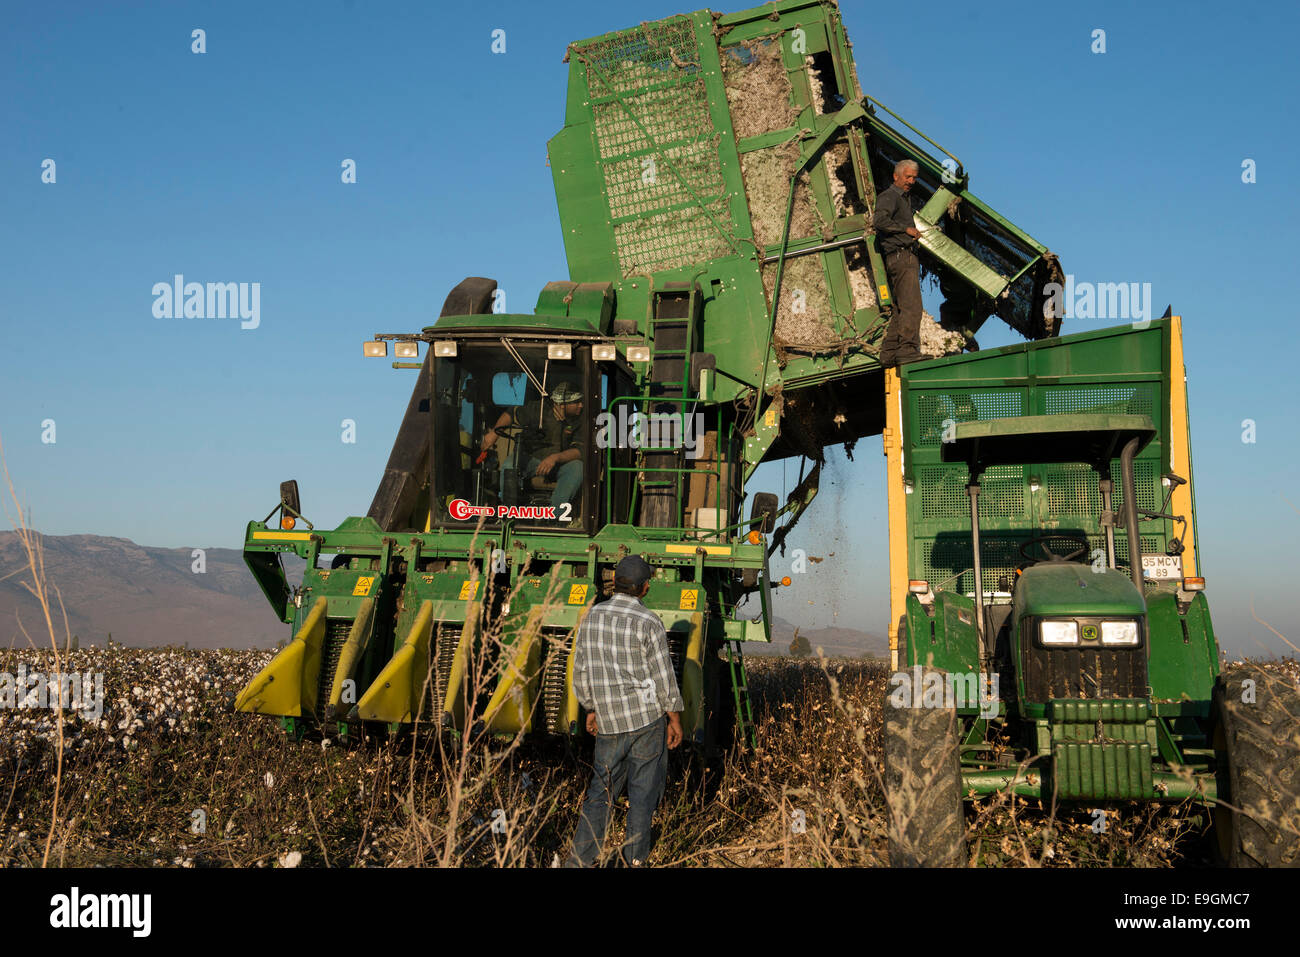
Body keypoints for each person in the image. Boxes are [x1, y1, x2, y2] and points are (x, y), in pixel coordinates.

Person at [566, 555, 684, 867]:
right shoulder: (649, 622)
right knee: (642, 796)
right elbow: (663, 677)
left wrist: (590, 708)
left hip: (608, 722)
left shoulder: (591, 618)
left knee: (599, 794)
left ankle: (578, 862)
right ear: (645, 588)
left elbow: (580, 670)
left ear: (614, 583)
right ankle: (634, 861)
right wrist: (673, 717)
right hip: (646, 721)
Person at [480, 382, 584, 513]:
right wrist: (494, 433)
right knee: (510, 465)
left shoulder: (582, 419)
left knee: (578, 468)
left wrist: (555, 458)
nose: (581, 405)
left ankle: (556, 516)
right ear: (562, 404)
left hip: (561, 465)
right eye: (577, 402)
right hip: (530, 460)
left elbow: (580, 451)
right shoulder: (537, 409)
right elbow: (511, 414)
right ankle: (508, 513)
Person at [873, 158, 926, 368]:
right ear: (896, 176)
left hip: (900, 257)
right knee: (912, 305)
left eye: (914, 177)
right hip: (901, 257)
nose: (912, 181)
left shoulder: (904, 199)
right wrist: (906, 230)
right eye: (908, 176)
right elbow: (879, 220)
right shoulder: (890, 196)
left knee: (901, 308)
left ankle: (889, 354)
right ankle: (908, 350)